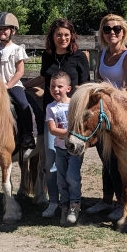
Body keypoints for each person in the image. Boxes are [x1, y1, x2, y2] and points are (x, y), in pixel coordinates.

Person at [24, 19, 91, 216]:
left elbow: (84, 85)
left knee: (71, 166)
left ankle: (71, 202)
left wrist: (71, 102)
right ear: (52, 37)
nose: (62, 38)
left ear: (72, 36)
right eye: (58, 34)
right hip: (52, 114)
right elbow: (44, 78)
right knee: (50, 163)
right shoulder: (48, 55)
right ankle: (54, 201)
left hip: (73, 117)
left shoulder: (79, 57)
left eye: (66, 35)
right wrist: (23, 86)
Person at [86, 14, 127, 220]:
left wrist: (109, 103)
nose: (112, 32)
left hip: (119, 110)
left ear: (123, 32)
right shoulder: (102, 53)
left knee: (116, 160)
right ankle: (106, 200)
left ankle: (122, 202)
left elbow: (124, 85)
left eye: (116, 29)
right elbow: (99, 79)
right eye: (107, 29)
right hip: (102, 110)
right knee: (104, 157)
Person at [0, 12, 35, 152]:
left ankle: (28, 134)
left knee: (23, 104)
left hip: (12, 85)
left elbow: (20, 71)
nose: (2, 31)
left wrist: (8, 85)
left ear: (13, 31)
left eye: (5, 29)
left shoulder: (17, 50)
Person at [44, 72, 83, 227]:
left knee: (72, 177)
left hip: (75, 149)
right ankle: (64, 206)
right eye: (52, 86)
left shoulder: (75, 105)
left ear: (68, 88)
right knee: (61, 179)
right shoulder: (50, 107)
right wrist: (70, 133)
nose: (56, 89)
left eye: (60, 86)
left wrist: (72, 135)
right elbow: (52, 129)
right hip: (60, 149)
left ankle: (75, 205)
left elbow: (81, 126)